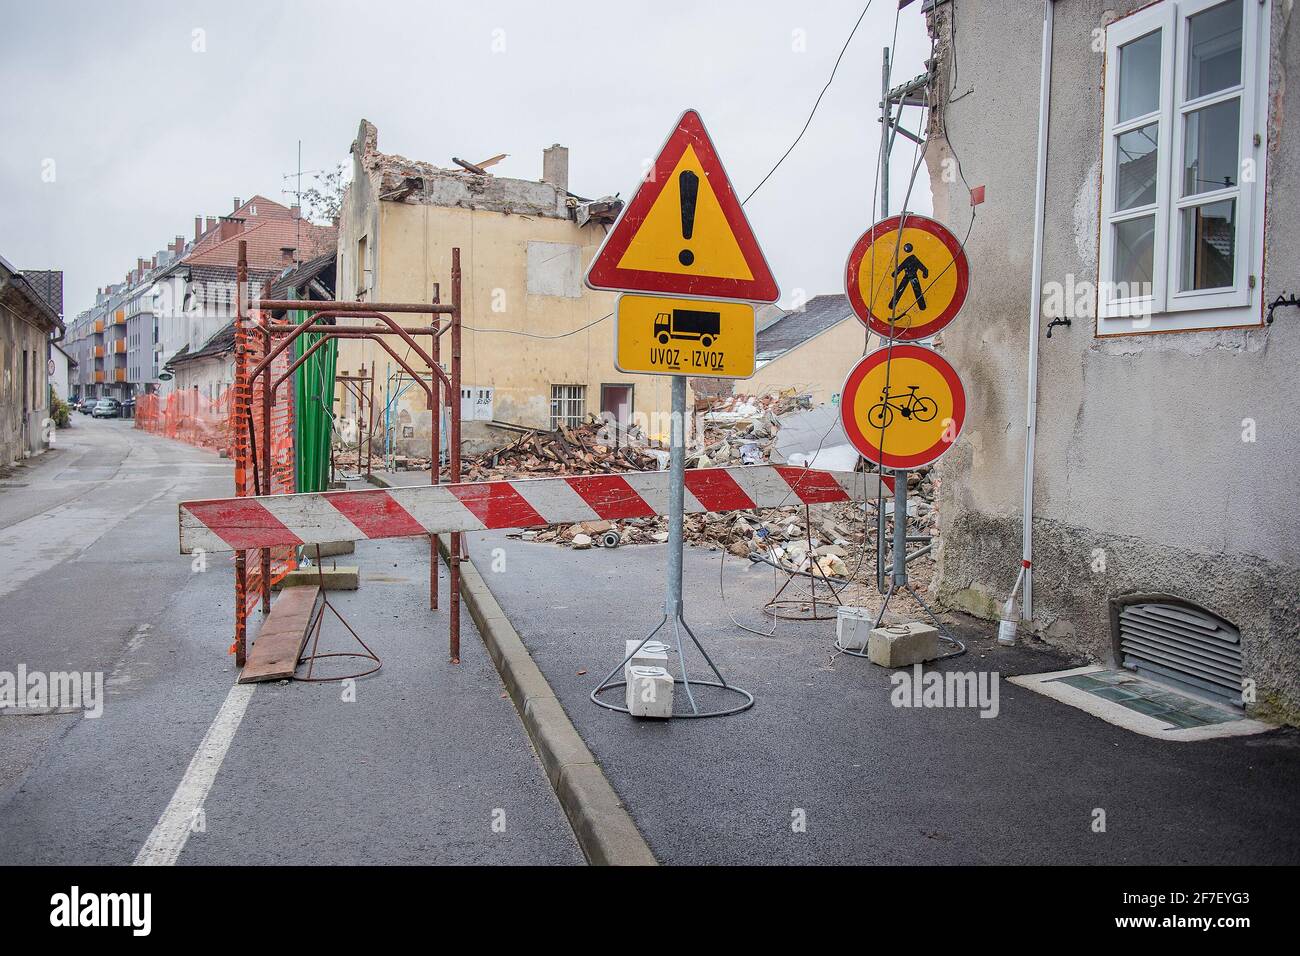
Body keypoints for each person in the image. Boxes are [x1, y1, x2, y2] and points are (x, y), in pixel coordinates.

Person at [889, 242, 929, 312]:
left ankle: (922, 306)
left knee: (902, 290)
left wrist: (894, 273)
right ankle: (922, 307)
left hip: (911, 276)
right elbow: (901, 267)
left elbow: (901, 267)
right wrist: (925, 273)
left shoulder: (912, 259)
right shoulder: (911, 259)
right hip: (909, 276)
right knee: (904, 290)